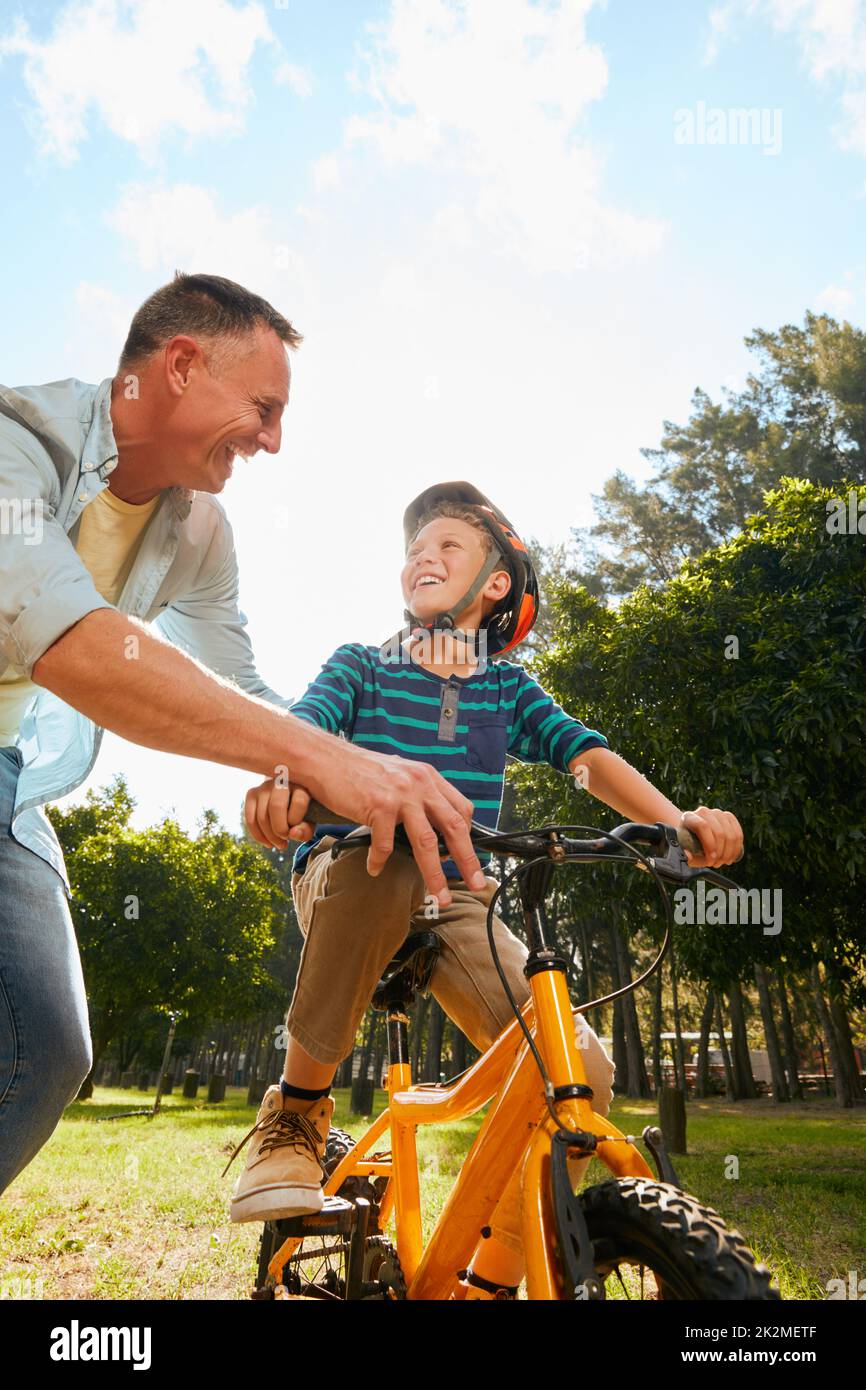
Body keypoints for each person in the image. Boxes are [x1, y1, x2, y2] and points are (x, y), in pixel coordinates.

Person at [0, 276, 486, 1200]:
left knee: (43, 1048)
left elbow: (251, 695)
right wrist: (324, 761)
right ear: (179, 366)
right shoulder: (17, 443)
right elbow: (71, 641)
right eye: (263, 408)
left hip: (7, 780)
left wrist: (329, 766)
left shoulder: (199, 534)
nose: (273, 439)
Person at [232, 481, 743, 1297]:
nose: (420, 559)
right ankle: (295, 1111)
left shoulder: (508, 690)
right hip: (352, 870)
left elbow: (586, 757)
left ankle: (490, 1280)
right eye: (412, 550)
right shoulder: (363, 664)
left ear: (495, 582)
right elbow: (303, 732)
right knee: (394, 845)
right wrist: (283, 782)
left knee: (580, 1070)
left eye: (446, 546)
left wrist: (675, 821)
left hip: (459, 897)